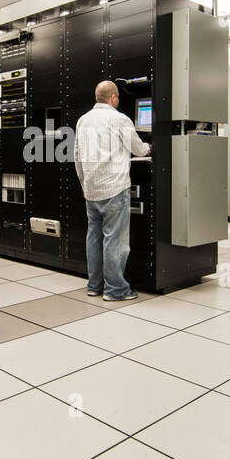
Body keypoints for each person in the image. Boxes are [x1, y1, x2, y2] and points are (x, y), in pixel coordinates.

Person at [73, 80, 150, 301]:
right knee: (115, 241)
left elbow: (78, 157)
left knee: (94, 238)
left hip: (92, 189)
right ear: (114, 98)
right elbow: (137, 148)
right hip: (114, 188)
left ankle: (94, 286)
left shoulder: (83, 121)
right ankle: (115, 290)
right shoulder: (119, 119)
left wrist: (84, 184)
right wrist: (149, 148)